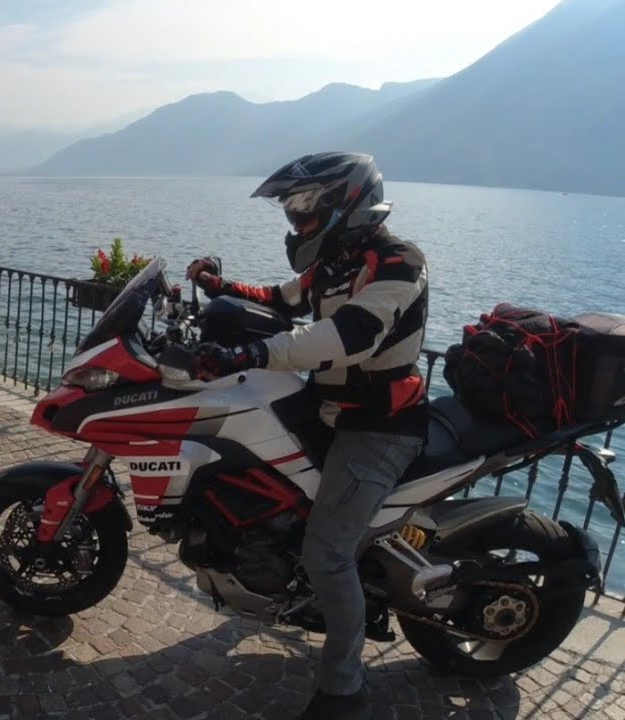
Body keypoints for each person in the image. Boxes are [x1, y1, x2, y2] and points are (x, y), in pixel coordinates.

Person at [185, 152, 429, 720]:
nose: (296, 223)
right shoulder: (336, 262)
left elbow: (350, 335)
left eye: (304, 211)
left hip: (379, 426)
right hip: (328, 409)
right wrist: (219, 287)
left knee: (328, 553)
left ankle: (344, 690)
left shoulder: (398, 261)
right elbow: (279, 298)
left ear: (346, 205)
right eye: (292, 212)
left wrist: (253, 352)